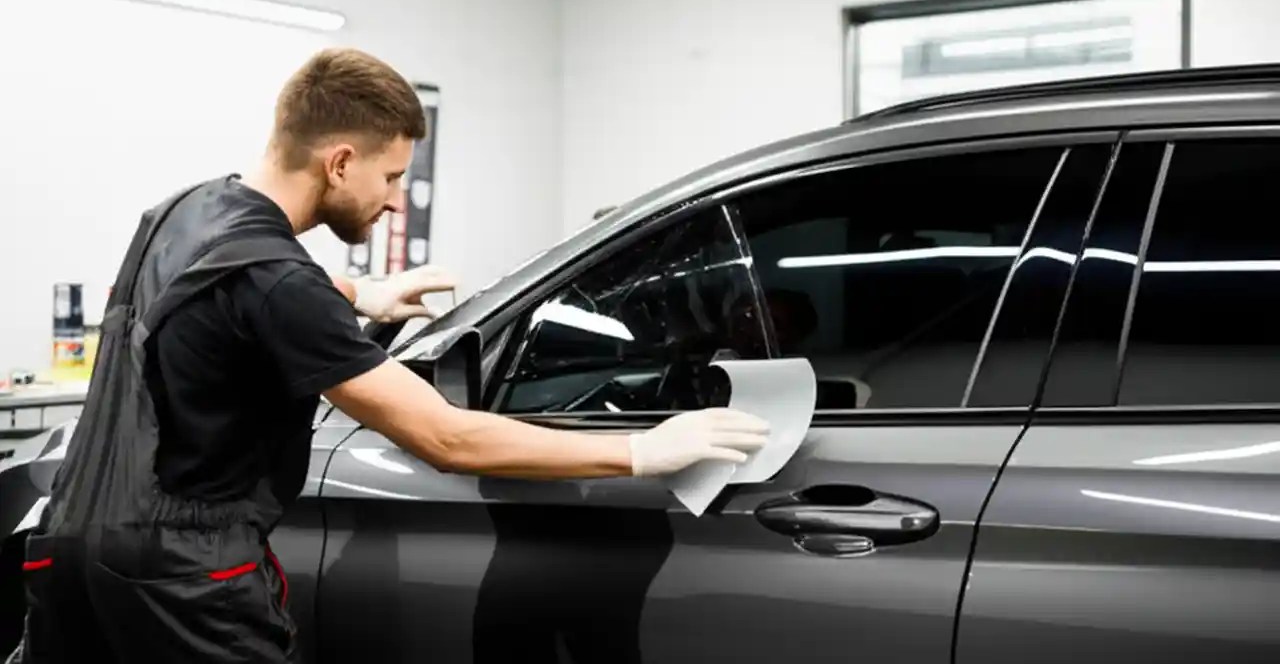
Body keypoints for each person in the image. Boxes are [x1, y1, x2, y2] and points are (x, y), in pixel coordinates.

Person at [10, 48, 768, 664]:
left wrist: (357, 294)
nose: (398, 200)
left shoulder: (185, 209)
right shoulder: (281, 284)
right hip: (185, 575)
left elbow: (216, 294)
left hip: (70, 548)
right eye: (392, 175)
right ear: (340, 162)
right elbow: (446, 437)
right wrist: (645, 450)